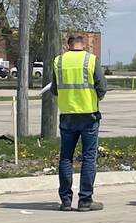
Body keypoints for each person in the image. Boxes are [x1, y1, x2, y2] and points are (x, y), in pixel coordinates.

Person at [44, 34, 107, 211]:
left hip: (67, 115)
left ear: (68, 45)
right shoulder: (91, 60)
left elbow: (55, 90)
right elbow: (102, 87)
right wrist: (94, 98)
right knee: (88, 157)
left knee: (66, 157)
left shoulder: (59, 61)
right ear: (84, 45)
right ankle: (85, 200)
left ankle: (65, 200)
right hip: (89, 115)